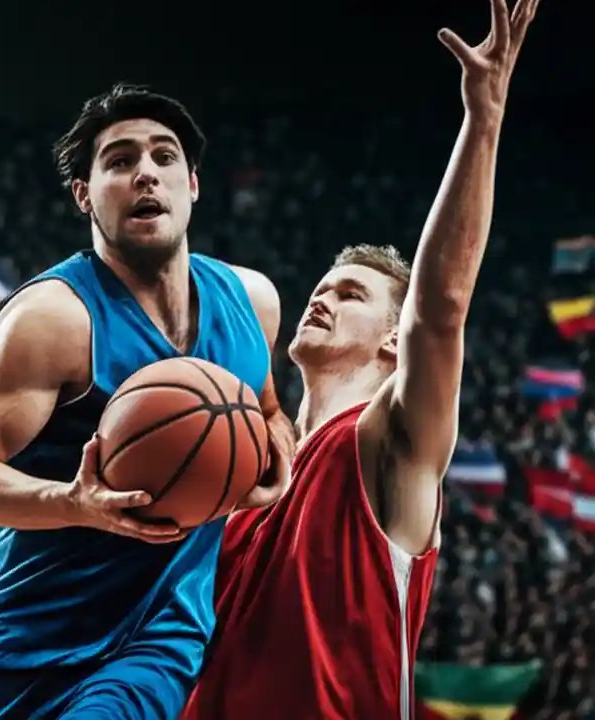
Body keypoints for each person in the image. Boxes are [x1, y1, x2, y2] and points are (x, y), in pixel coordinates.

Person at [182, 1, 541, 717]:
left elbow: (440, 313)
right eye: (320, 287)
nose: (320, 298)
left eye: (348, 293)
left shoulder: (387, 444)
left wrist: (484, 119)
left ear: (390, 339)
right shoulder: (238, 474)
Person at [0, 84, 297, 718]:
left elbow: (264, 411)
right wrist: (72, 502)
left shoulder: (252, 301)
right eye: (120, 161)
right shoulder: (54, 319)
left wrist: (278, 453)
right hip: (31, 632)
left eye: (164, 156)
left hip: (162, 633)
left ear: (194, 184)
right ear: (84, 194)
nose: (145, 173)